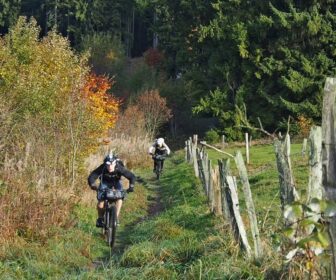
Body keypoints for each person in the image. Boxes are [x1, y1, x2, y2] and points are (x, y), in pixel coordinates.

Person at [88, 154, 135, 228]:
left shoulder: (119, 168)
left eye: (112, 165)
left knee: (120, 198)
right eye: (108, 165)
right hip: (104, 183)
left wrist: (131, 186)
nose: (110, 167)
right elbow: (92, 176)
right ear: (105, 164)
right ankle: (100, 219)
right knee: (101, 201)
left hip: (116, 183)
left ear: (115, 163)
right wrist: (92, 185)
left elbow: (131, 176)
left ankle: (115, 218)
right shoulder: (102, 167)